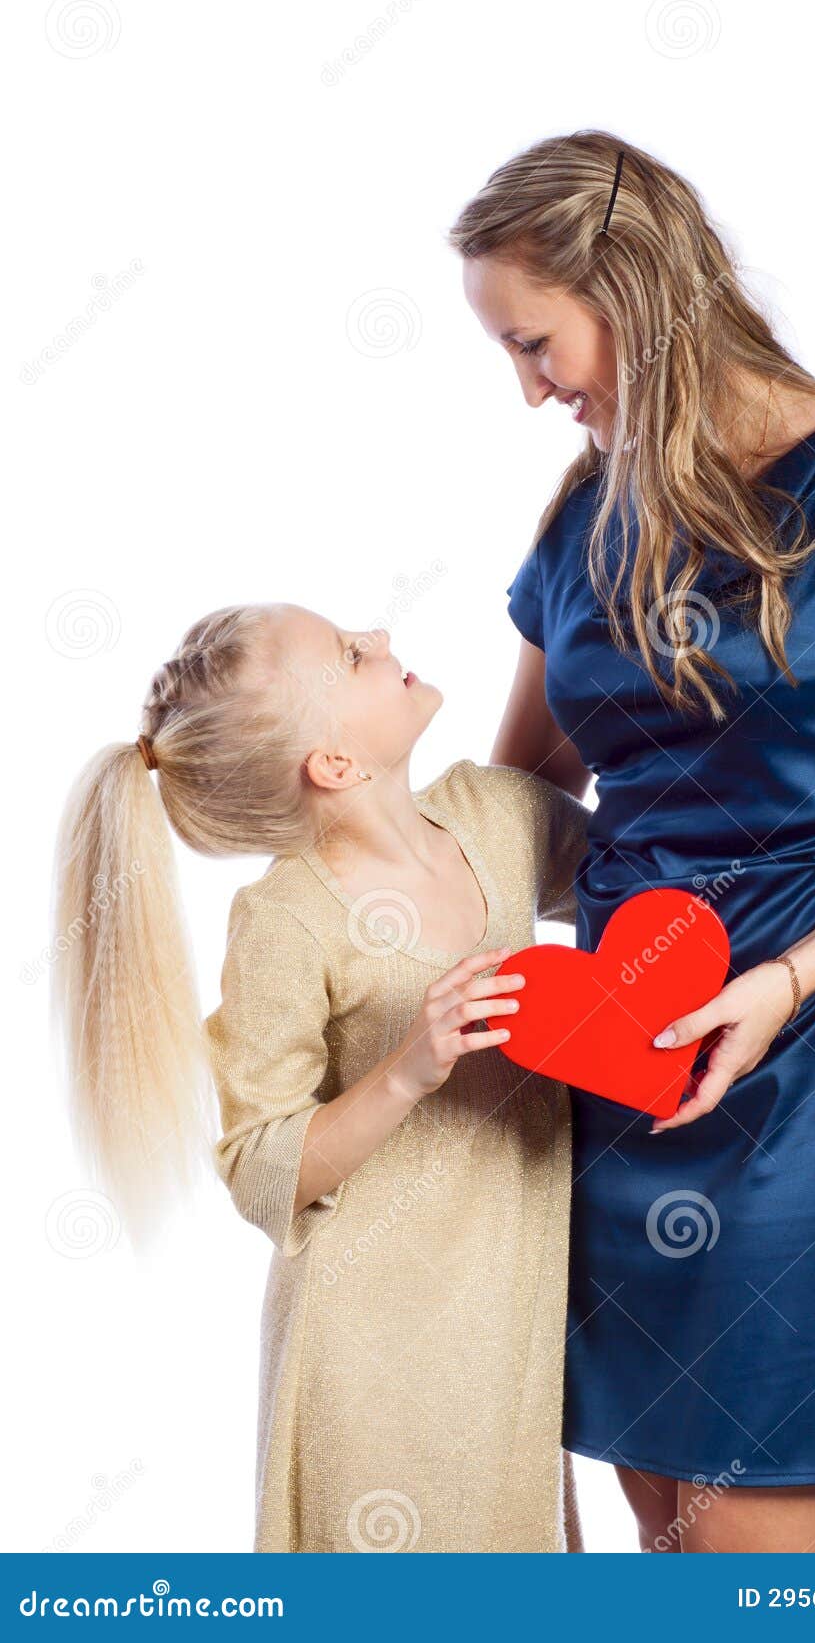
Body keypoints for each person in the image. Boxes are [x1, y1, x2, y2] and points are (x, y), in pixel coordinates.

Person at [450, 130, 815, 1553]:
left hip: (814, 1065)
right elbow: (515, 797)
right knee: (659, 1541)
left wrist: (782, 979)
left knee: (744, 1565)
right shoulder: (586, 522)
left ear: (631, 292)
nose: (530, 389)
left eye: (535, 343)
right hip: (623, 1058)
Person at [51, 601, 589, 1552]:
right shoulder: (286, 919)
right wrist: (408, 1067)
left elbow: (655, 869)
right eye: (350, 653)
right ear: (335, 765)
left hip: (509, 1333)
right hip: (372, 1358)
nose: (380, 637)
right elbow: (263, 1168)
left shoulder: (496, 816)